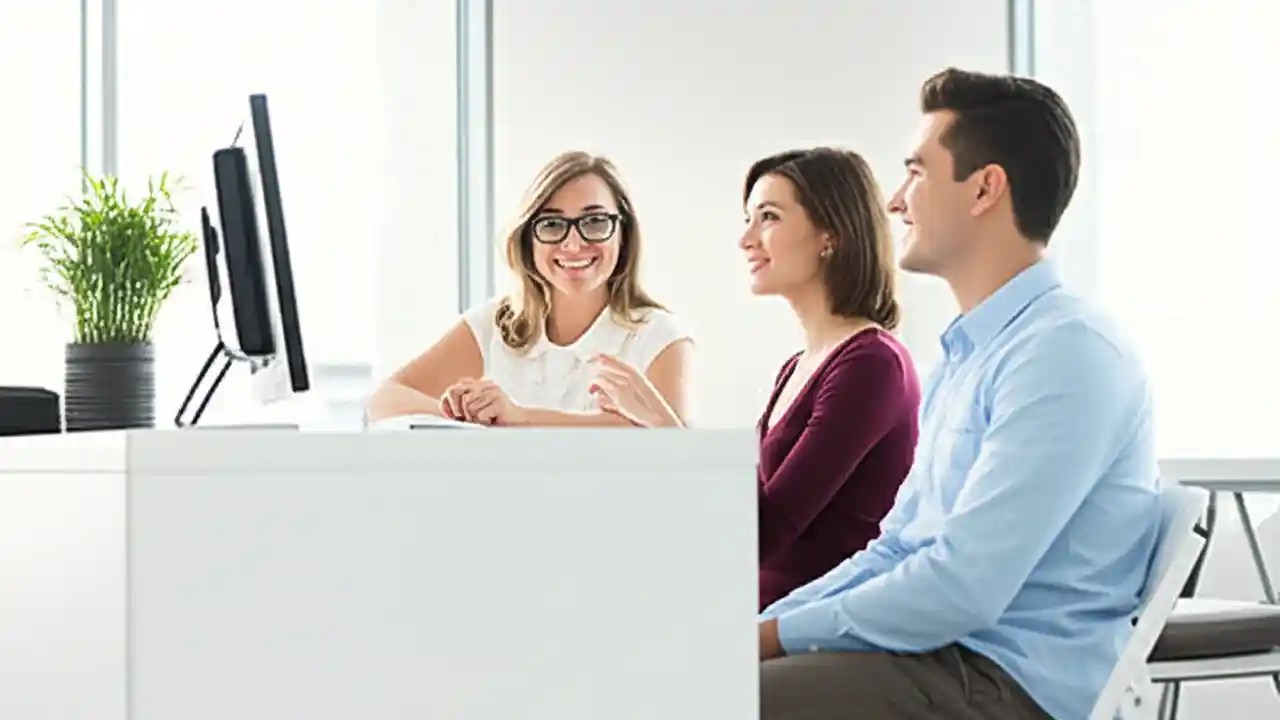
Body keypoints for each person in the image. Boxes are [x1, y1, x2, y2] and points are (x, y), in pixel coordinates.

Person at [757, 68, 1162, 720]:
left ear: (984, 189)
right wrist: (767, 625)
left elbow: (961, 588)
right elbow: (896, 549)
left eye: (916, 172)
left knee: (707, 696)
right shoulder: (966, 358)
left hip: (1000, 680)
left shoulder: (1066, 353)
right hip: (939, 658)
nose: (895, 200)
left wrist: (771, 637)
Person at [588, 148, 920, 610]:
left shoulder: (870, 365)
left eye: (768, 216)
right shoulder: (798, 366)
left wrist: (664, 426)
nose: (746, 239)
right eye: (749, 218)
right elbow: (744, 513)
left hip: (813, 630)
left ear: (831, 234)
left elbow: (760, 533)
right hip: (762, 616)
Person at [365, 151, 693, 426]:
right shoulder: (497, 323)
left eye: (594, 222)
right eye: (552, 224)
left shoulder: (659, 335)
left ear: (623, 234)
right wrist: (472, 422)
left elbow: (667, 440)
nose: (574, 243)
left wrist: (518, 418)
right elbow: (385, 400)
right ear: (527, 240)